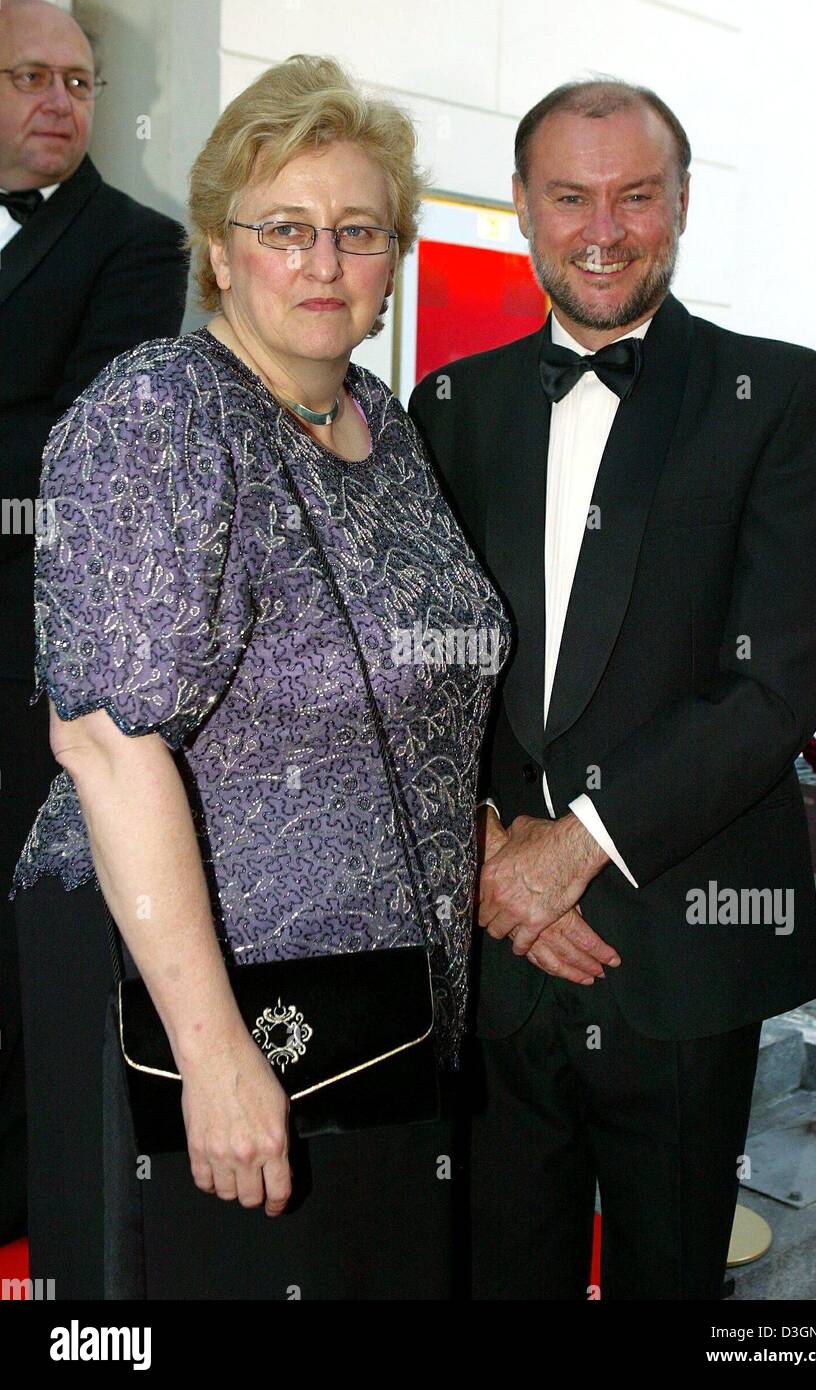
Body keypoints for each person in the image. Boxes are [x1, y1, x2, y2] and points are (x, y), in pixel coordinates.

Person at [8, 52, 510, 1300]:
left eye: (359, 229)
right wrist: (215, 1051)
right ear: (220, 254)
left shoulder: (382, 421)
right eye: (285, 227)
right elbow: (103, 739)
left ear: (394, 257)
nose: (324, 261)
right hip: (198, 1014)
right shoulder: (162, 413)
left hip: (379, 1016)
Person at [409, 78, 816, 1300]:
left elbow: (774, 690)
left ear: (683, 202)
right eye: (570, 196)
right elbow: (418, 674)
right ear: (522, 205)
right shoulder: (447, 405)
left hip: (683, 949)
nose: (602, 230)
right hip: (493, 947)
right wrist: (491, 854)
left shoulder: (785, 397)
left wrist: (577, 847)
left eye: (636, 195)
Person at [0, 0, 187, 1248]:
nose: (61, 100)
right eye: (30, 75)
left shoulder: (137, 243)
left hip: (27, 662)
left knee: (21, 939)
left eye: (79, 79)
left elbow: (71, 446)